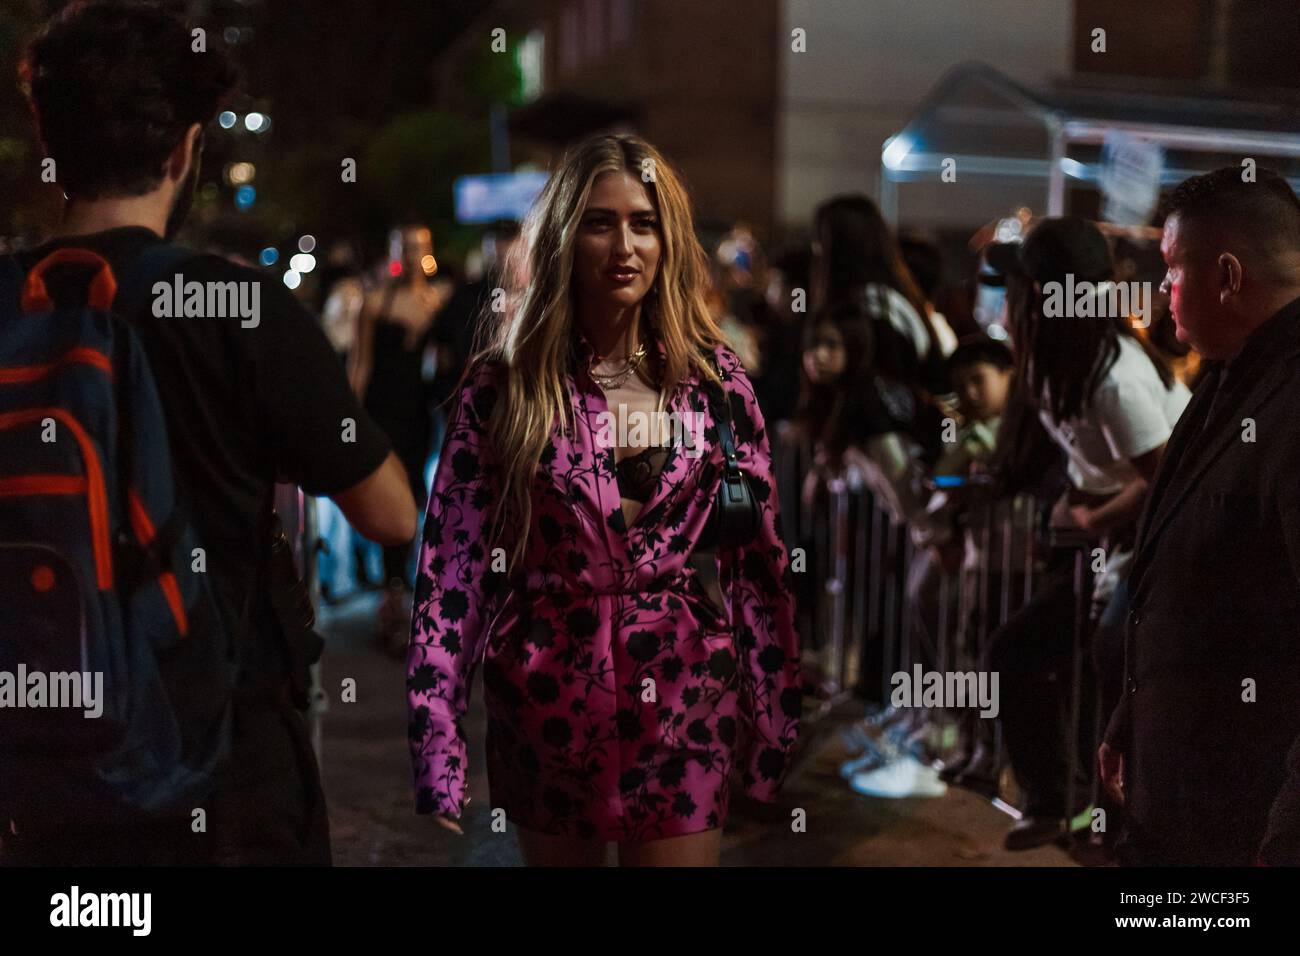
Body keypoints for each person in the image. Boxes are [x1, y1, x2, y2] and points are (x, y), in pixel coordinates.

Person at [5, 0, 417, 865]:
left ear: (52, 145)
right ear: (186, 148)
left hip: (37, 766)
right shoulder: (234, 308)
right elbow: (390, 514)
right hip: (215, 759)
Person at [405, 133, 802, 866]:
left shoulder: (715, 385)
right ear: (563, 237)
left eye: (643, 223)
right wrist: (438, 737)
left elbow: (759, 563)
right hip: (548, 696)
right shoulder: (504, 386)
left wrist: (773, 716)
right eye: (599, 221)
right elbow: (452, 571)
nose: (625, 245)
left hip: (685, 694)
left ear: (669, 238)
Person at [1100, 168, 1300, 865]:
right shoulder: (1224, 374)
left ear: (1227, 275)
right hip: (1174, 787)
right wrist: (1134, 710)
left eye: (1171, 270)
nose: (1162, 293)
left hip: (1240, 812)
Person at [988, 217, 1190, 850]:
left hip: (1164, 545)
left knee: (1109, 658)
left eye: (1017, 286)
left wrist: (1090, 520)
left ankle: (1119, 829)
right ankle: (1054, 803)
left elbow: (1167, 482)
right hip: (1116, 543)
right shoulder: (1054, 366)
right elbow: (1094, 464)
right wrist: (1075, 508)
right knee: (1016, 650)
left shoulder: (1114, 377)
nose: (1005, 300)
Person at [349, 222, 452, 652]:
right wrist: (349, 417)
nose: (412, 256)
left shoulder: (441, 300)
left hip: (420, 413)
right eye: (405, 248)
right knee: (389, 496)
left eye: (419, 248)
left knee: (418, 495)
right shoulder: (374, 301)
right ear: (394, 250)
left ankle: (414, 591)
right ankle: (391, 596)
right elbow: (361, 362)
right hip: (382, 411)